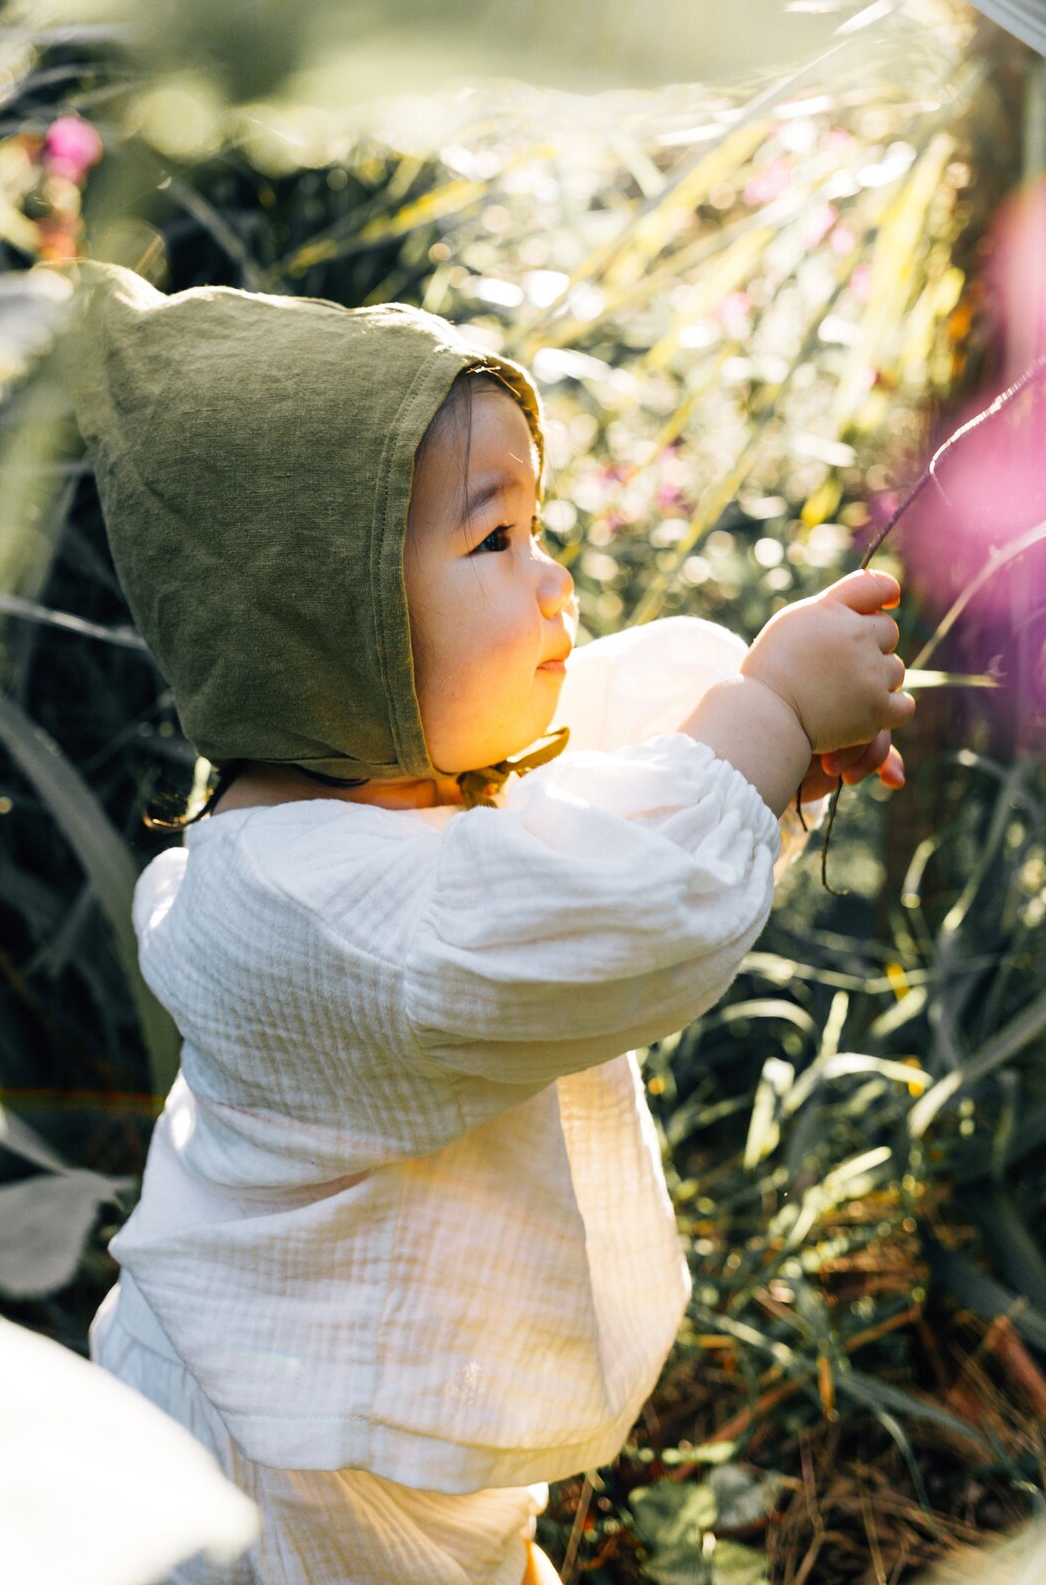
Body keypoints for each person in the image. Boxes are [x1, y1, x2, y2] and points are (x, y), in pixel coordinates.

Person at [66, 261, 912, 1585]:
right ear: (328, 626)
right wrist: (772, 719)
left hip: (368, 1438)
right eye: (494, 541)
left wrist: (768, 754)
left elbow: (609, 774)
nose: (557, 580)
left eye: (541, 523)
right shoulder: (326, 918)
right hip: (280, 1480)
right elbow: (607, 895)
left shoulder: (385, 803)